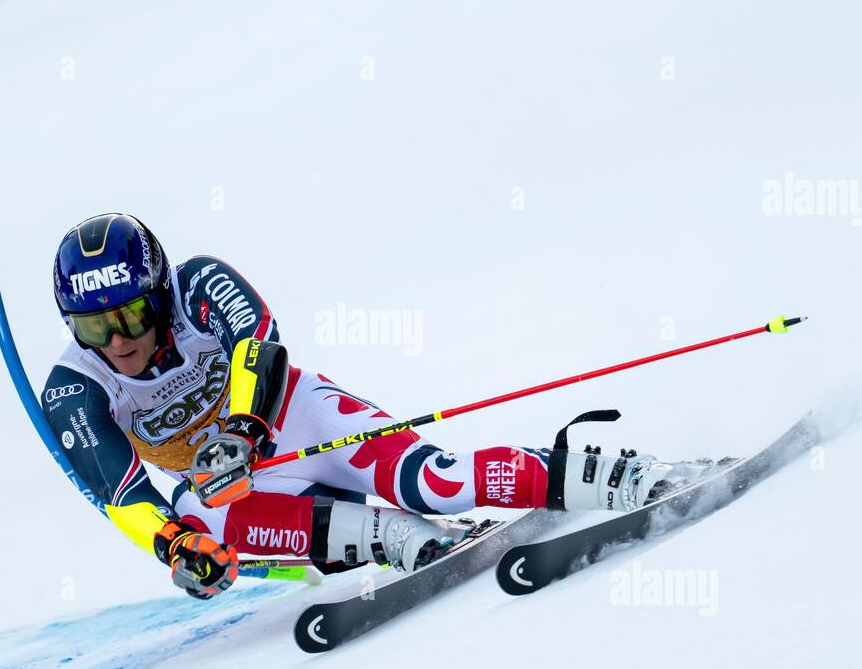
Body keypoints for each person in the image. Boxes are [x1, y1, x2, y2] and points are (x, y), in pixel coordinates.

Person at [42, 213, 687, 599]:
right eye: (94, 327)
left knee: (434, 482)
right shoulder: (73, 388)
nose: (118, 340)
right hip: (222, 484)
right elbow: (121, 496)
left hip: (295, 416)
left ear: (158, 292)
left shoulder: (199, 282)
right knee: (204, 523)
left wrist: (241, 431)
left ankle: (611, 476)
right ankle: (392, 539)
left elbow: (260, 348)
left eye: (130, 314)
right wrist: (176, 549)